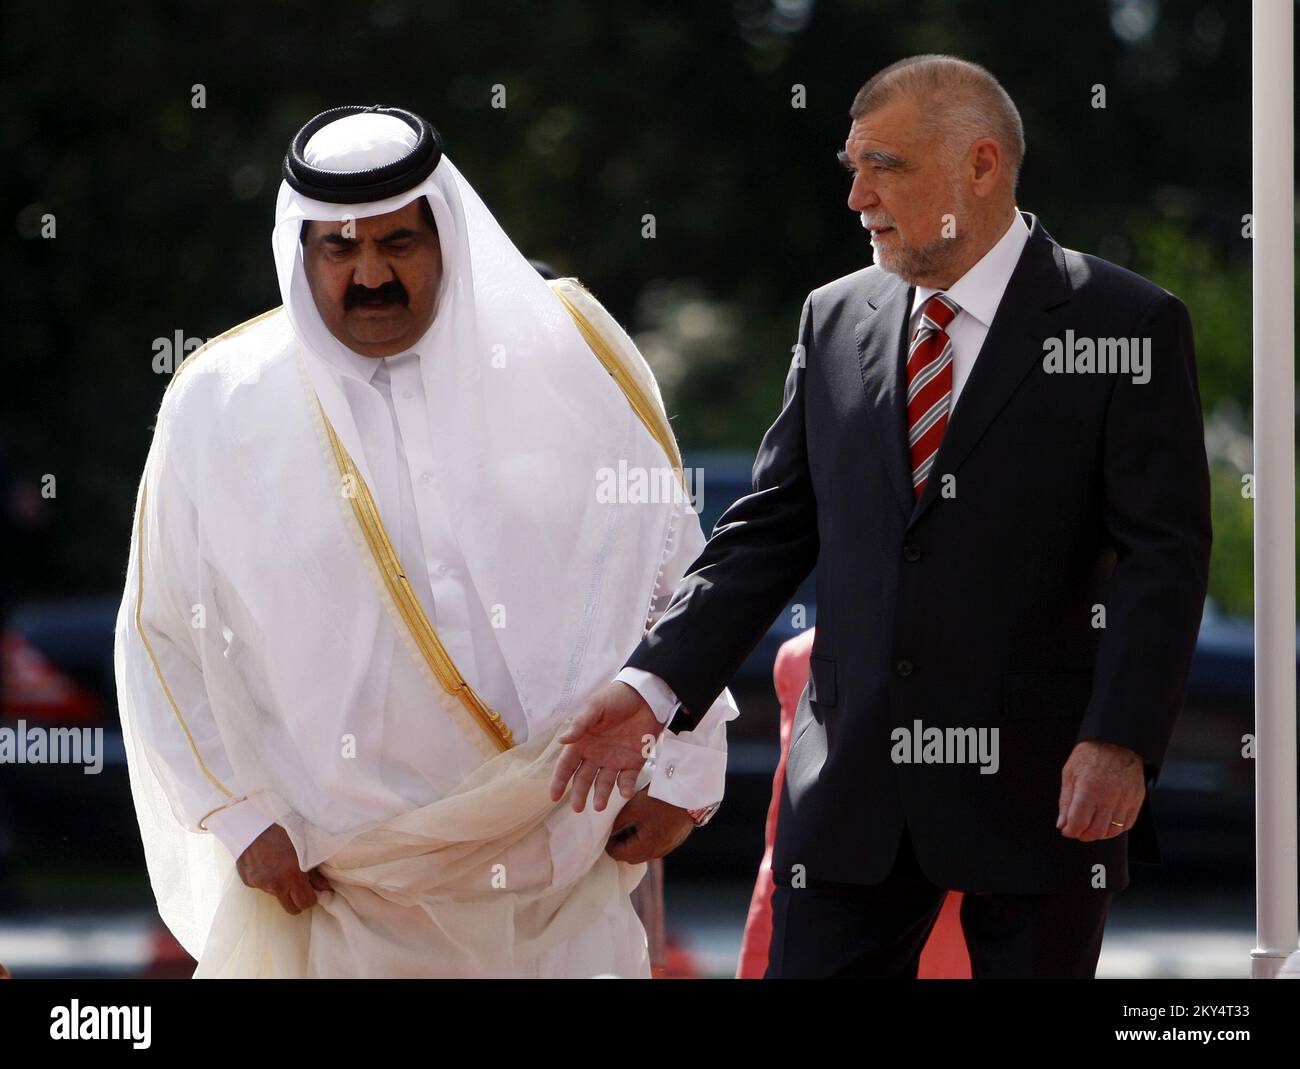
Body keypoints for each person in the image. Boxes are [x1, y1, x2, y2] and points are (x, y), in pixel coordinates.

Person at [552, 55, 1213, 978]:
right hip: (851, 793)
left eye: (886, 166)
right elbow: (771, 528)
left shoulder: (1126, 323)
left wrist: (1120, 739)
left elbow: (1165, 558)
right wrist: (654, 684)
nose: (858, 194)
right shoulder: (835, 317)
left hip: (1043, 790)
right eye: (852, 167)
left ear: (981, 165)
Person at [114, 105, 737, 978]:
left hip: (566, 887)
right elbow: (160, 631)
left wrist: (688, 770)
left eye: (398, 244)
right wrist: (235, 814)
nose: (370, 274)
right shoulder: (219, 402)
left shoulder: (569, 351)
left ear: (446, 234)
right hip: (349, 896)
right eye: (339, 248)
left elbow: (682, 575)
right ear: (303, 250)